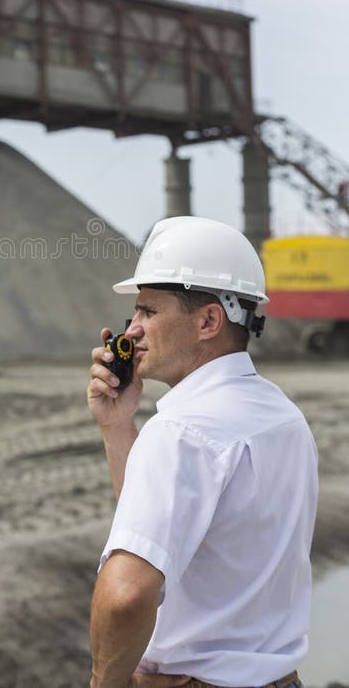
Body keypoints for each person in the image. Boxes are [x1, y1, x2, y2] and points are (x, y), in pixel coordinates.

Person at [86, 216, 318, 688]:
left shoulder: (180, 430)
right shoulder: (283, 417)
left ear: (209, 320)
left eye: (148, 311)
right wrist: (117, 425)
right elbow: (160, 524)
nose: (131, 332)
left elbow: (126, 595)